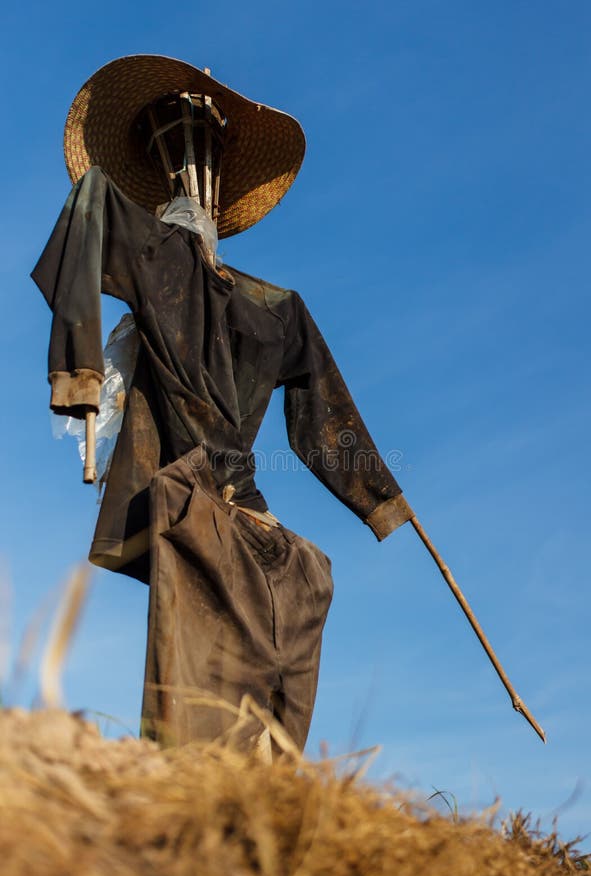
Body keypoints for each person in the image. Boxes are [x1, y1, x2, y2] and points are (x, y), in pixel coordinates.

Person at [32, 54, 415, 755]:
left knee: (302, 589)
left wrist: (382, 499)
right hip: (191, 487)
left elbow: (324, 411)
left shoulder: (274, 306)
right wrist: (79, 375)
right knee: (195, 679)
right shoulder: (153, 253)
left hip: (245, 498)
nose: (194, 159)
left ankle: (264, 797)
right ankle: (194, 789)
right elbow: (88, 207)